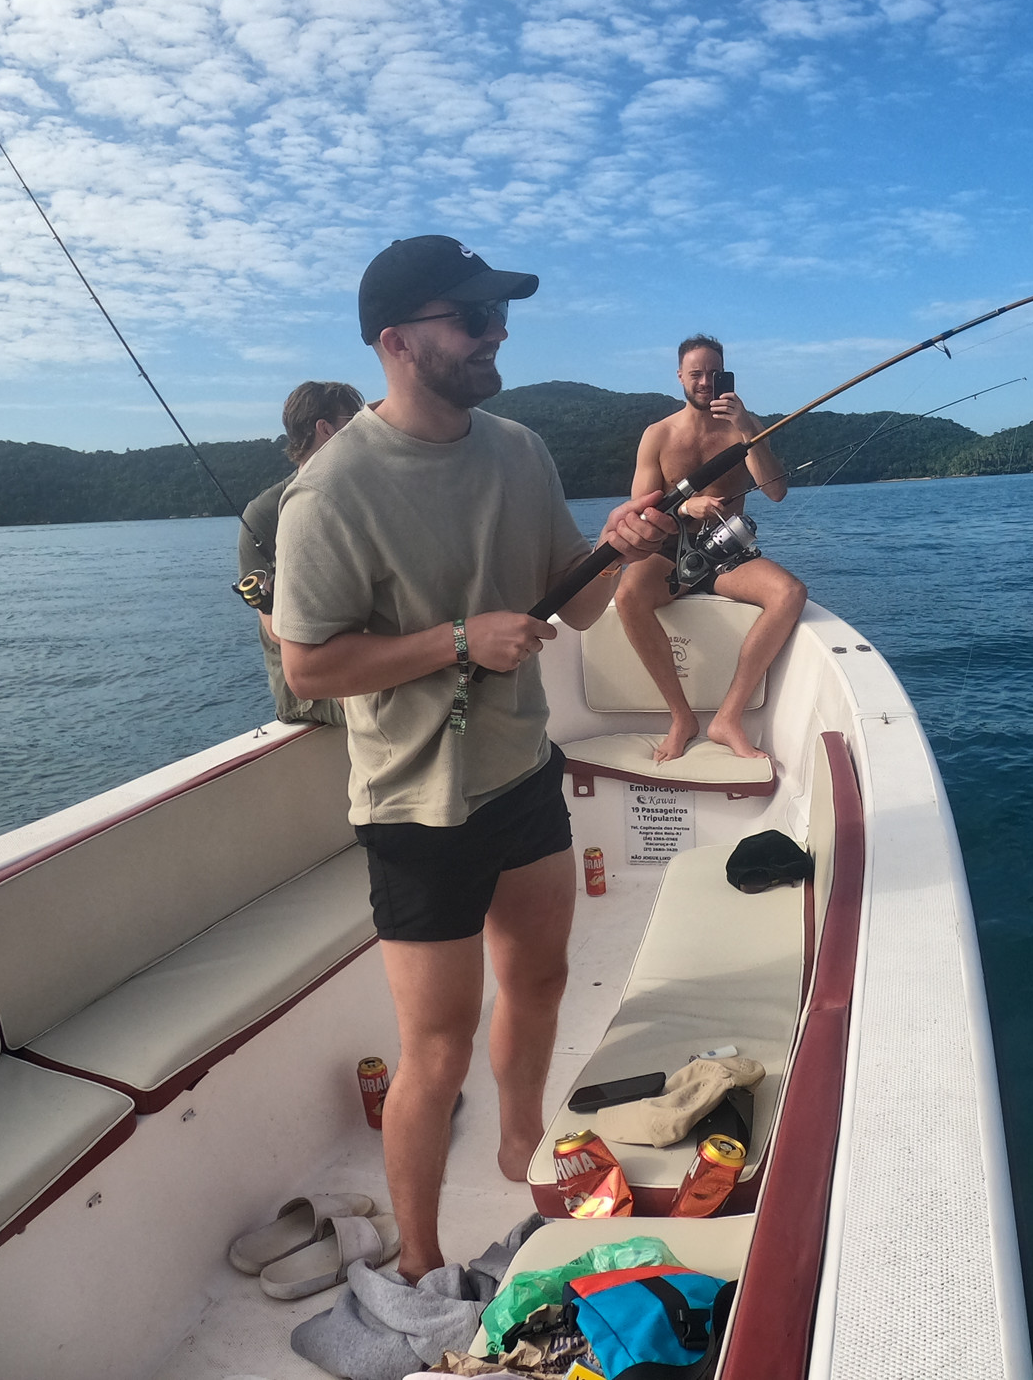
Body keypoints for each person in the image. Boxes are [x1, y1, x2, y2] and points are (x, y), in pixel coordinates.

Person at [271, 236, 676, 1282]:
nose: (498, 332)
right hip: (416, 807)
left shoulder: (520, 450)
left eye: (499, 314)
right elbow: (309, 666)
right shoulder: (329, 492)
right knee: (437, 1050)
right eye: (472, 317)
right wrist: (459, 640)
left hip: (522, 771)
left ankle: (520, 1142)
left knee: (540, 977)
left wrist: (617, 549)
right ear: (397, 342)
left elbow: (579, 602)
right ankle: (418, 1263)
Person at [615, 334, 809, 765]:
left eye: (714, 373)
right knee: (628, 596)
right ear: (680, 376)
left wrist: (748, 431)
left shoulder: (747, 426)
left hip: (727, 554)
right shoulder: (658, 435)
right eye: (696, 373)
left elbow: (775, 491)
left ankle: (728, 718)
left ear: (726, 375)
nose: (705, 382)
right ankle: (681, 718)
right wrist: (687, 505)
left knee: (790, 594)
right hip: (669, 552)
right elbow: (641, 508)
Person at [238, 380, 366, 727]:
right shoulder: (264, 514)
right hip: (309, 688)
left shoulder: (360, 498)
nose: (366, 430)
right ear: (325, 429)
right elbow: (276, 629)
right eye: (355, 421)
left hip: (364, 665)